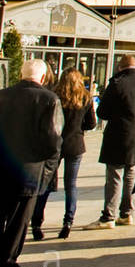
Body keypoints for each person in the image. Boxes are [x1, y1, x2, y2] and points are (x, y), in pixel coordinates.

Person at [0, 59, 62, 267]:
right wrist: (49, 169)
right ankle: (7, 262)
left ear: (20, 74)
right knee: (18, 220)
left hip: (0, 166)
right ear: (43, 77)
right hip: (29, 170)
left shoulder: (0, 96)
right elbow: (53, 140)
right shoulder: (49, 99)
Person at [31, 68, 96, 240]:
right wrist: (78, 128)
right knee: (71, 185)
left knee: (46, 183)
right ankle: (68, 221)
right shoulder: (86, 97)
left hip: (54, 144)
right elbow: (91, 123)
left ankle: (37, 223)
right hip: (75, 145)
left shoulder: (53, 95)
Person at [88, 55, 135, 229]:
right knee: (132, 174)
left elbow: (102, 112)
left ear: (119, 67)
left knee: (115, 175)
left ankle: (109, 215)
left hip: (118, 133)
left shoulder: (117, 83)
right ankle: (127, 213)